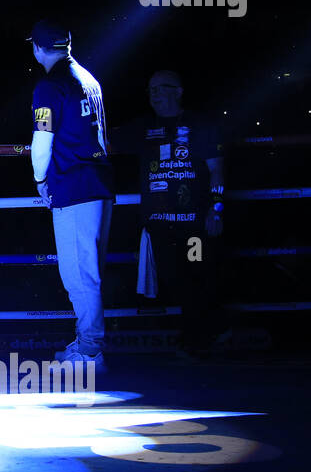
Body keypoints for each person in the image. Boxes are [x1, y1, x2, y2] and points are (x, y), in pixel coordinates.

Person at [115, 70, 226, 356]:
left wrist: (216, 210)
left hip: (194, 223)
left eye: (161, 88)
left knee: (199, 278)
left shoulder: (200, 125)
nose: (154, 94)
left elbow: (217, 170)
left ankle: (196, 341)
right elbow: (102, 138)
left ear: (178, 91)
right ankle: (200, 337)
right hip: (159, 224)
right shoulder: (143, 126)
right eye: (150, 89)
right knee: (172, 279)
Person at [28, 20, 114, 371]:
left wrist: (39, 179)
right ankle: (86, 342)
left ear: (37, 47)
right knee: (86, 271)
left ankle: (91, 351)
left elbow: (42, 140)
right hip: (100, 183)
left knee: (79, 273)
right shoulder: (89, 79)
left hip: (74, 186)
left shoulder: (50, 86)